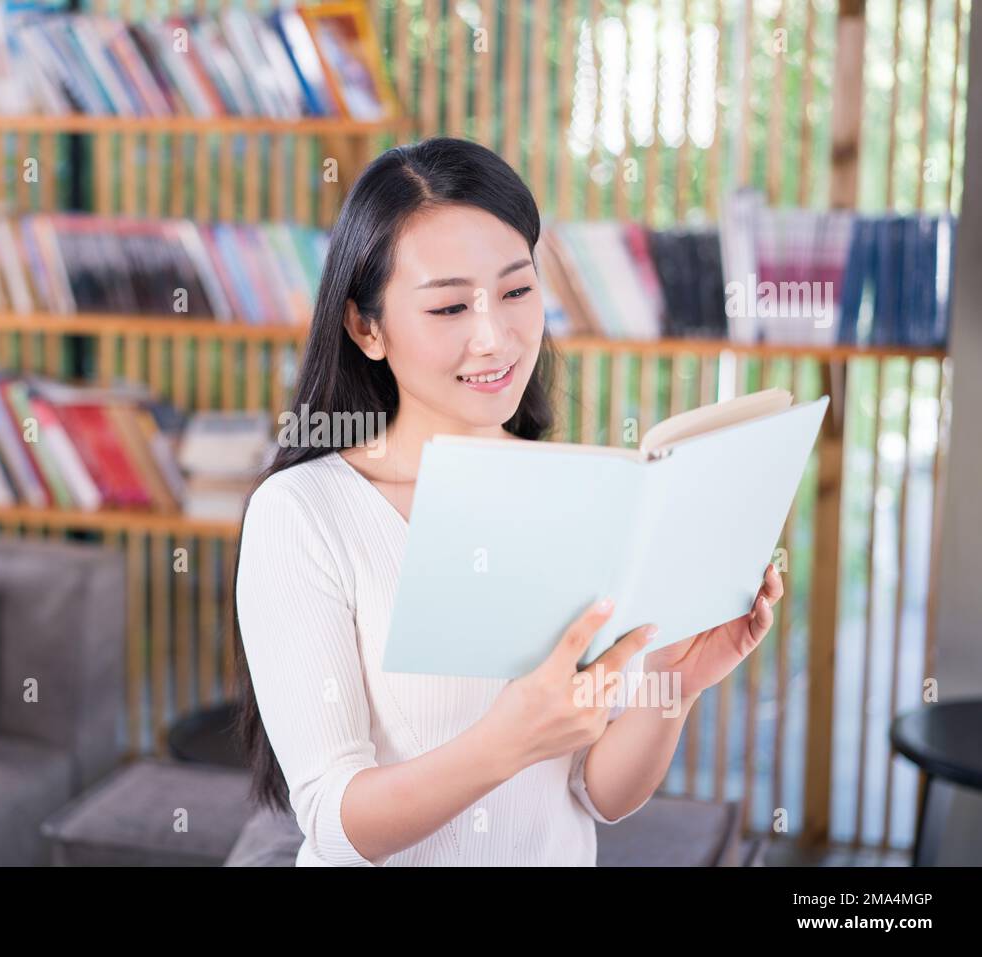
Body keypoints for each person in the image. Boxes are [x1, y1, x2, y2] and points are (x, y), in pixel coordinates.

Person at [232, 136, 783, 866]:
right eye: (450, 306)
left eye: (518, 291)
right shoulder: (303, 513)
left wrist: (674, 683)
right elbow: (334, 822)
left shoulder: (577, 495)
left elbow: (596, 795)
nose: (494, 338)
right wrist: (505, 741)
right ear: (367, 327)